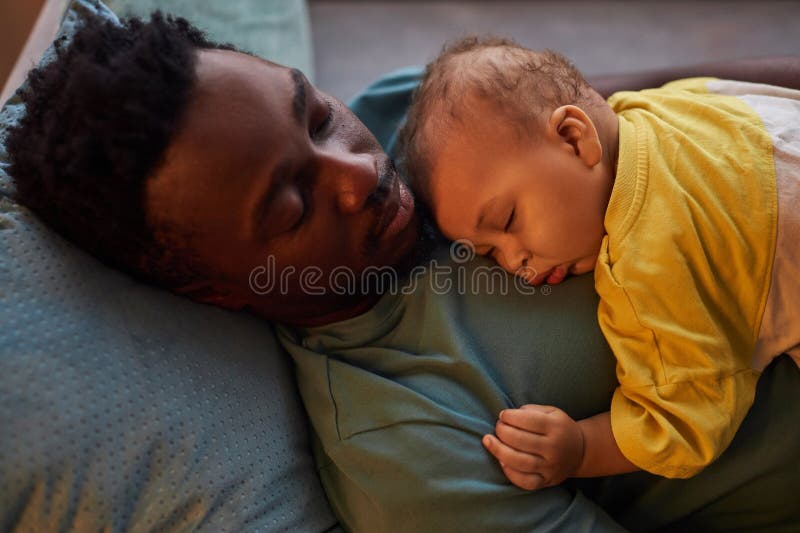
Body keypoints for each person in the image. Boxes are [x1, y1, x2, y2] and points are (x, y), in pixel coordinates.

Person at [5, 13, 800, 532]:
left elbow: (683, 114)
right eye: (290, 205)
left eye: (315, 113)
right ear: (218, 292)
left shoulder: (422, 119)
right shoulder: (405, 449)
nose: (357, 170)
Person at [400, 35, 800, 488]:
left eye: (508, 220)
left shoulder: (644, 265)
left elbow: (687, 419)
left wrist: (582, 449)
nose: (514, 262)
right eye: (488, 253)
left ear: (574, 137)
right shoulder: (657, 106)